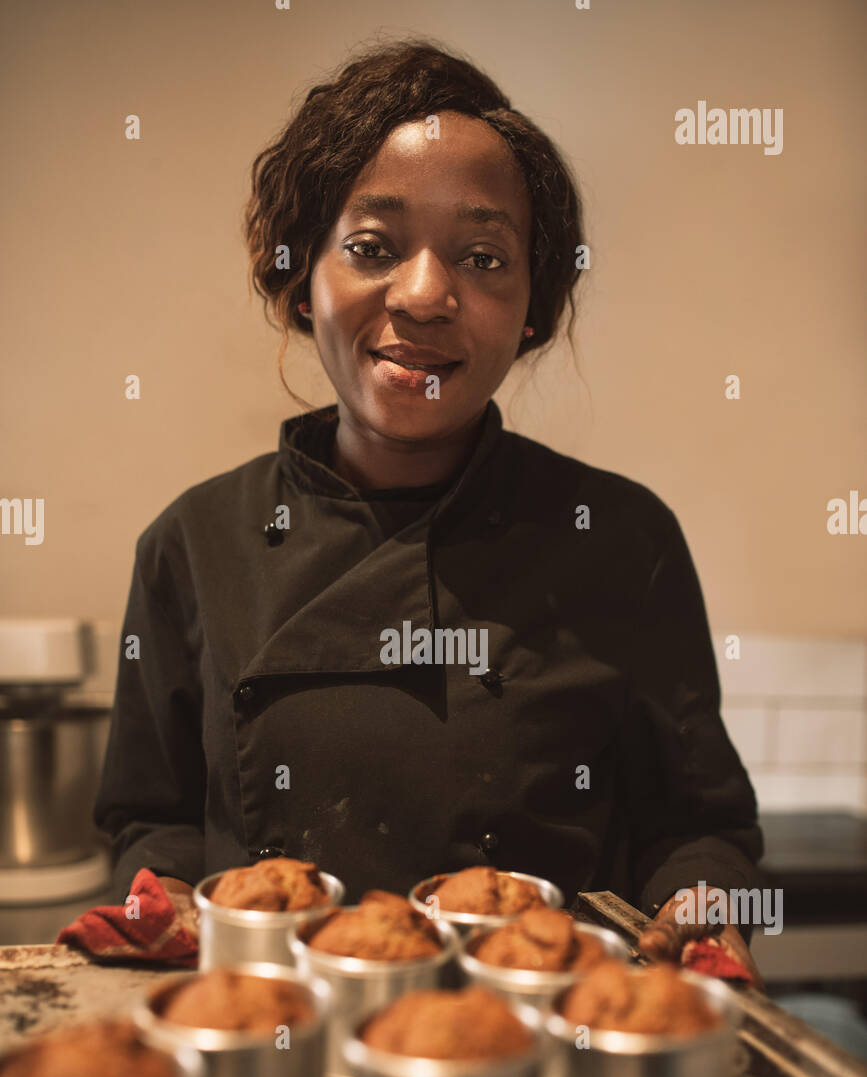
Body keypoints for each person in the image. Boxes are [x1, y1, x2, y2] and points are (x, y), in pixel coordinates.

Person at [94, 39, 764, 978]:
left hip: (539, 1041)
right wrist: (160, 906)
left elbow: (697, 827)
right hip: (284, 1035)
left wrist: (703, 908)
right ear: (301, 279)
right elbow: (152, 821)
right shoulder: (193, 543)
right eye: (372, 248)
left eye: (483, 257)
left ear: (531, 310)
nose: (423, 295)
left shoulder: (622, 540)